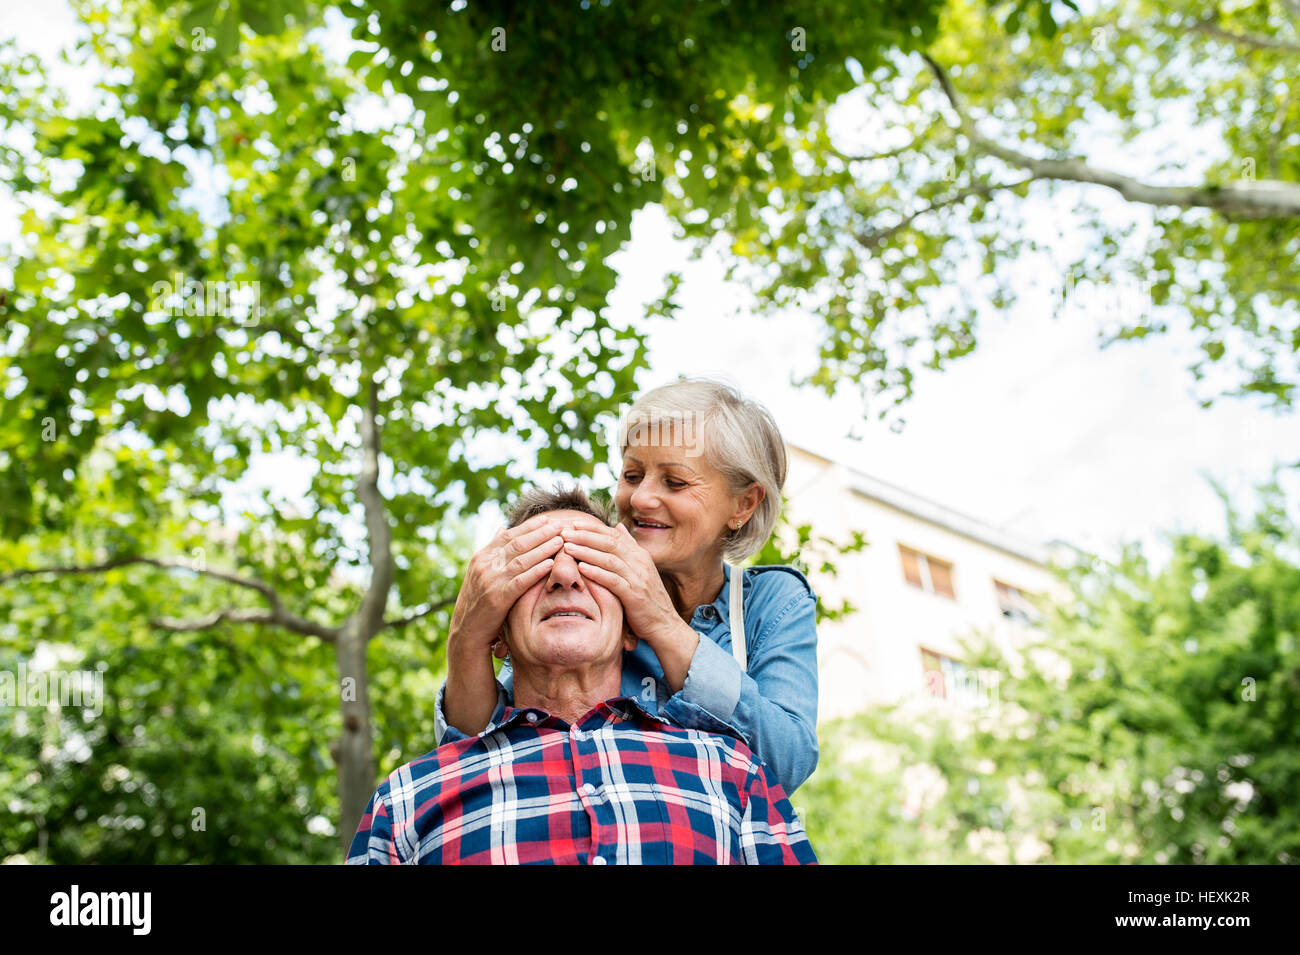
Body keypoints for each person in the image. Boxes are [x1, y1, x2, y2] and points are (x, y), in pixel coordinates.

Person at [346, 487, 817, 865]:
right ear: (498, 634)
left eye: (594, 564)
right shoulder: (406, 801)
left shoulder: (734, 772)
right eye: (535, 567)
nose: (565, 576)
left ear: (634, 625)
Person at [437, 378, 820, 794]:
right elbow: (474, 757)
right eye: (633, 475)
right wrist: (466, 637)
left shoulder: (773, 602)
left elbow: (784, 765)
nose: (640, 499)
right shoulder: (584, 585)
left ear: (743, 504)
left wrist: (659, 620)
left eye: (675, 482)